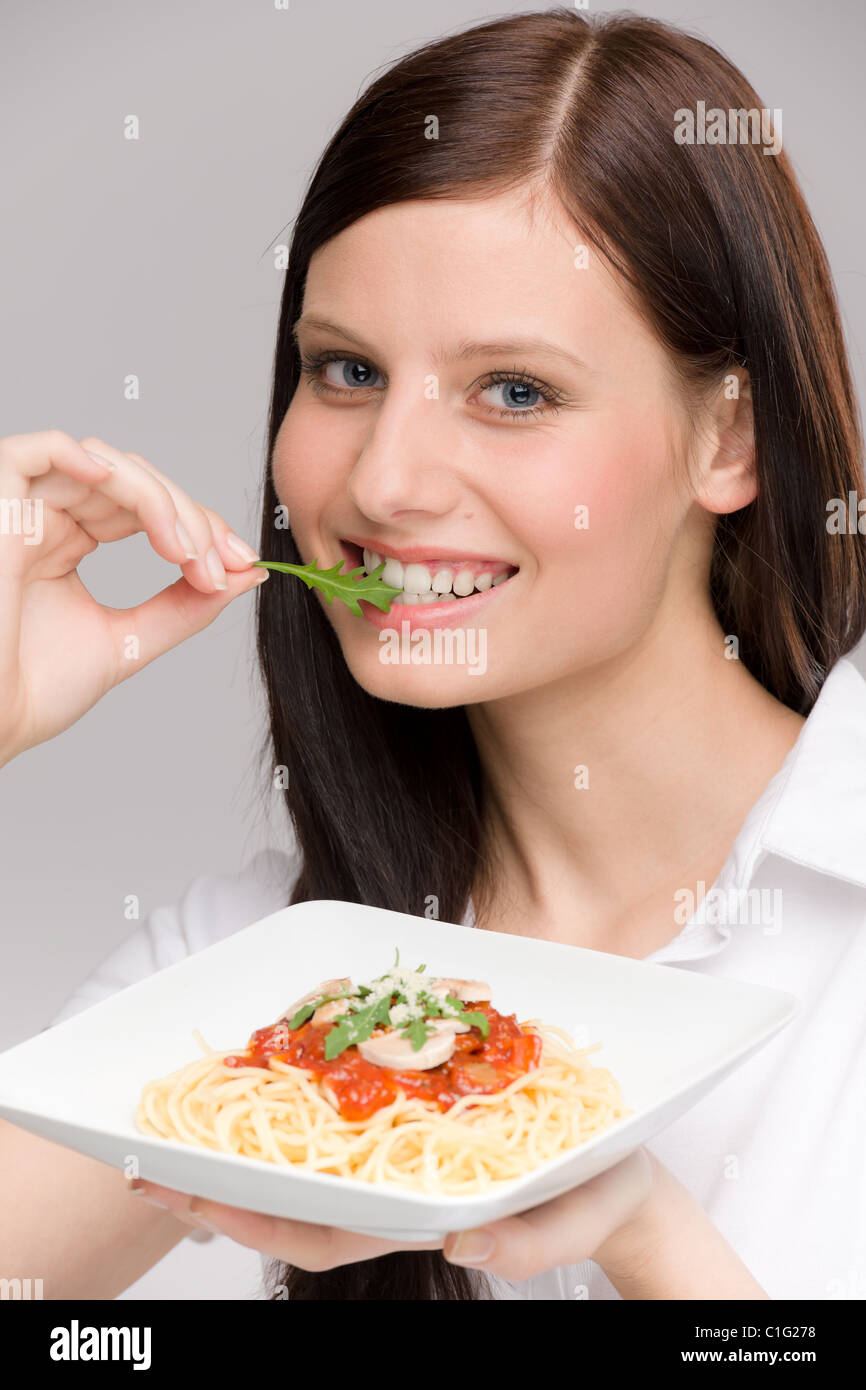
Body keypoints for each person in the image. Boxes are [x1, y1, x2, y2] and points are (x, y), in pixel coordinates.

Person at [2, 8, 865, 1301]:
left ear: (727, 439)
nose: (383, 480)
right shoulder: (252, 974)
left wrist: (643, 1230)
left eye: (513, 390)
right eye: (344, 369)